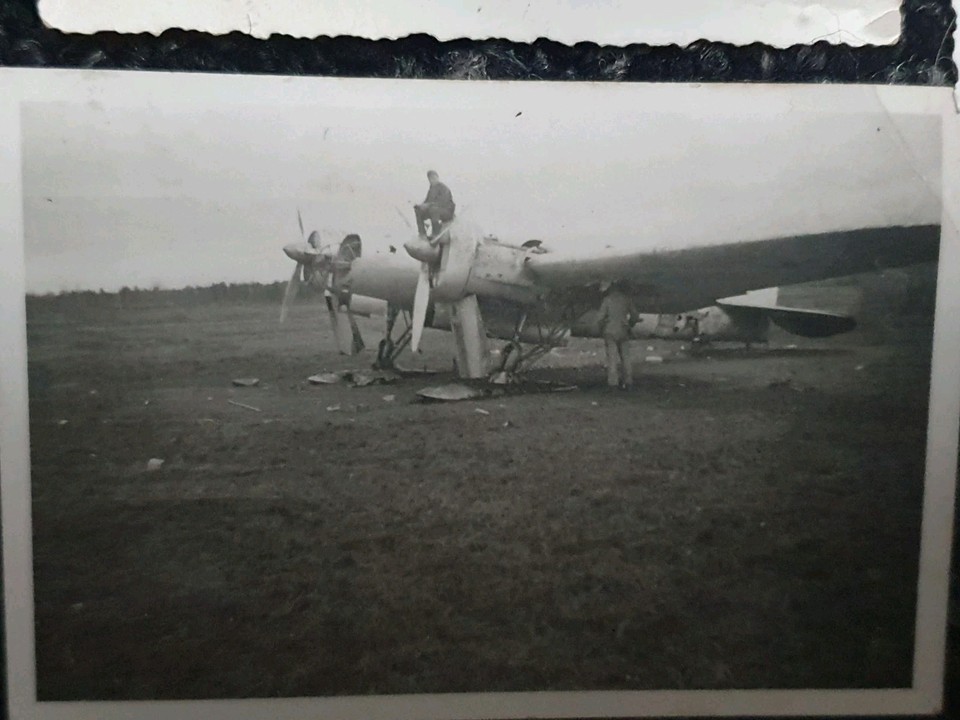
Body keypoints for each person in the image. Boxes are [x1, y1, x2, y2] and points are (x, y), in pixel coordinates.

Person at [596, 281, 639, 389]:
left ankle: (613, 383)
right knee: (626, 357)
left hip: (610, 331)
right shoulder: (626, 299)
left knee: (612, 358)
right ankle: (628, 381)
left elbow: (600, 318)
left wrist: (601, 328)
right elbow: (635, 315)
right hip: (623, 330)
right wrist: (630, 325)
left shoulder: (607, 300)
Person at [414, 170, 455, 240]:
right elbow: (427, 201)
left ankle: (435, 234)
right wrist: (420, 206)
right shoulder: (431, 190)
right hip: (434, 210)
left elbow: (443, 202)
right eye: (430, 178)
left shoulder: (444, 188)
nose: (432, 180)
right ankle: (422, 234)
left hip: (447, 211)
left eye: (433, 178)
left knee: (434, 209)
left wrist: (428, 205)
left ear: (437, 177)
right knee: (418, 210)